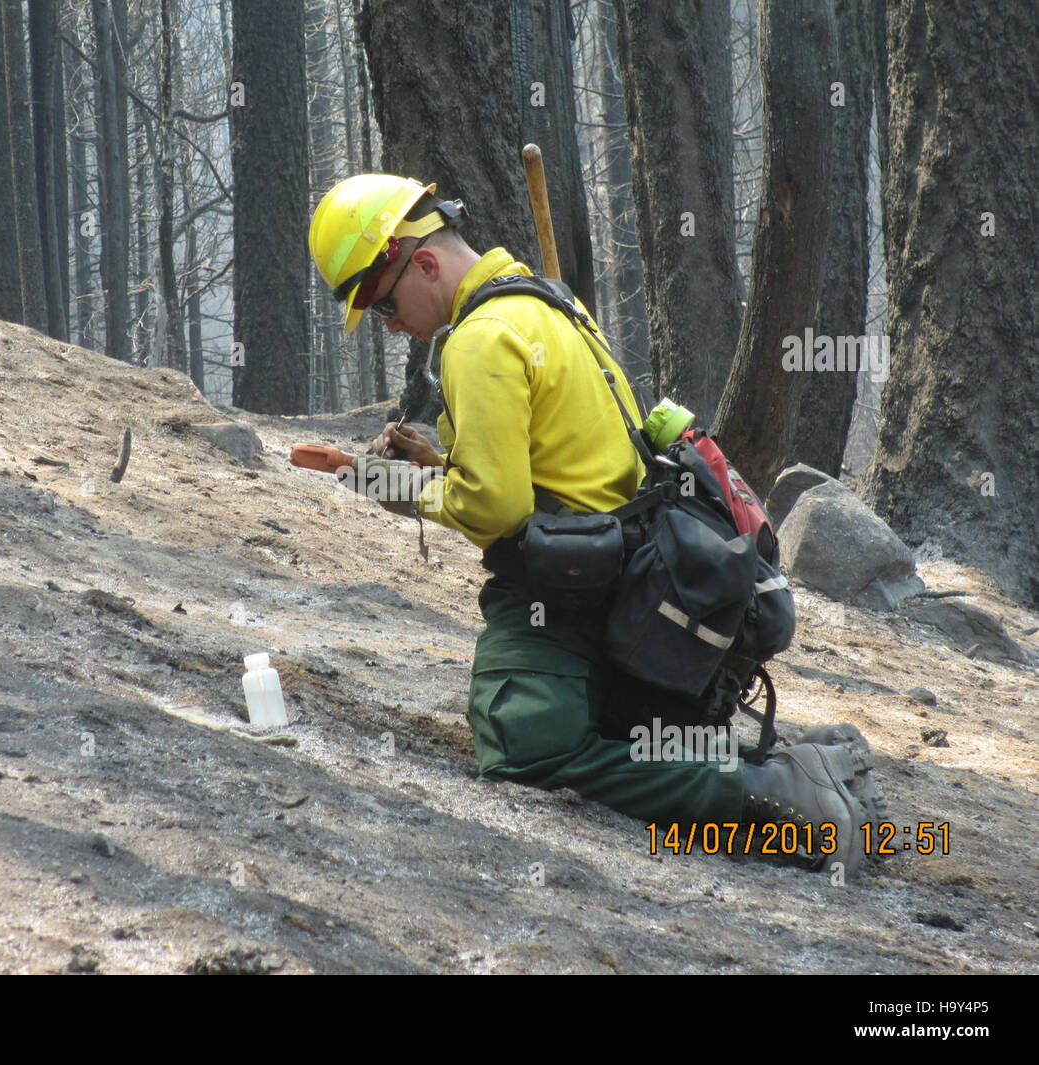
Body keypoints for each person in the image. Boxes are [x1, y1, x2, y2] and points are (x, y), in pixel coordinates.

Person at [308, 173, 883, 875]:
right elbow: (554, 455)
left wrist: (384, 482)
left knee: (523, 744)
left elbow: (494, 508)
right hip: (632, 579)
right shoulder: (546, 304)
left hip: (568, 594)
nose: (388, 322)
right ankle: (813, 764)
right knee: (614, 736)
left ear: (422, 261)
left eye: (380, 299)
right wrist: (438, 460)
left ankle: (785, 797)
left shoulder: (481, 339)